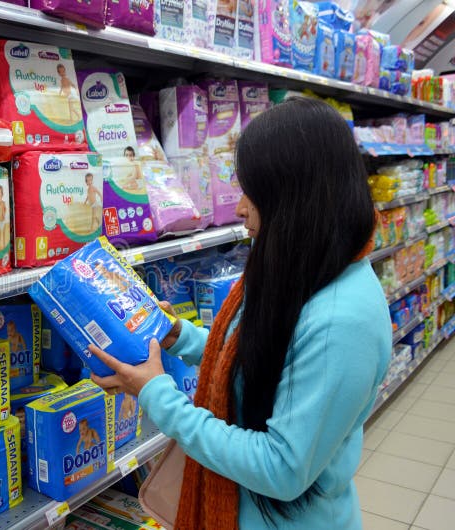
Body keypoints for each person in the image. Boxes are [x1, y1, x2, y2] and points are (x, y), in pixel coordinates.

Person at [88, 98, 391, 529]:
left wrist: (158, 395)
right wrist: (181, 336)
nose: (239, 207)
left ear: (296, 198)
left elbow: (282, 469)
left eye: (254, 192)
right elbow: (259, 354)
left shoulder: (344, 322)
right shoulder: (302, 268)